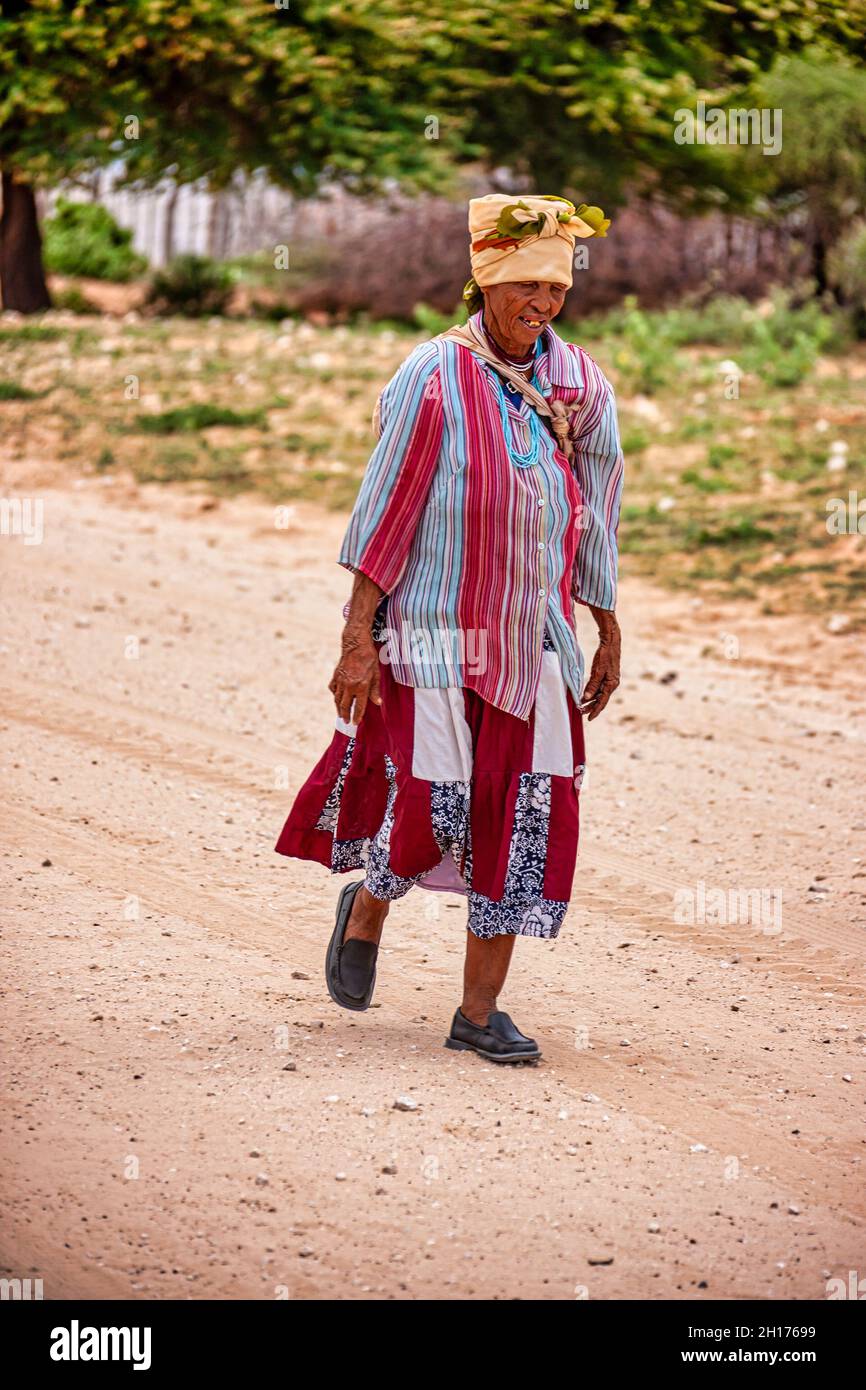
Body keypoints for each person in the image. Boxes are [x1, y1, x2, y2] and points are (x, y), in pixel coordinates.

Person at [275, 192, 624, 1063]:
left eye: (555, 286)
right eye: (525, 286)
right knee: (433, 808)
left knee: (524, 816)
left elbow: (597, 512)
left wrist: (606, 625)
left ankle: (477, 1015)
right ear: (484, 283)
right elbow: (385, 507)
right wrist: (359, 636)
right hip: (432, 636)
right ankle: (367, 907)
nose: (541, 303)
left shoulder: (579, 385)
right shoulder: (432, 374)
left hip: (533, 642)